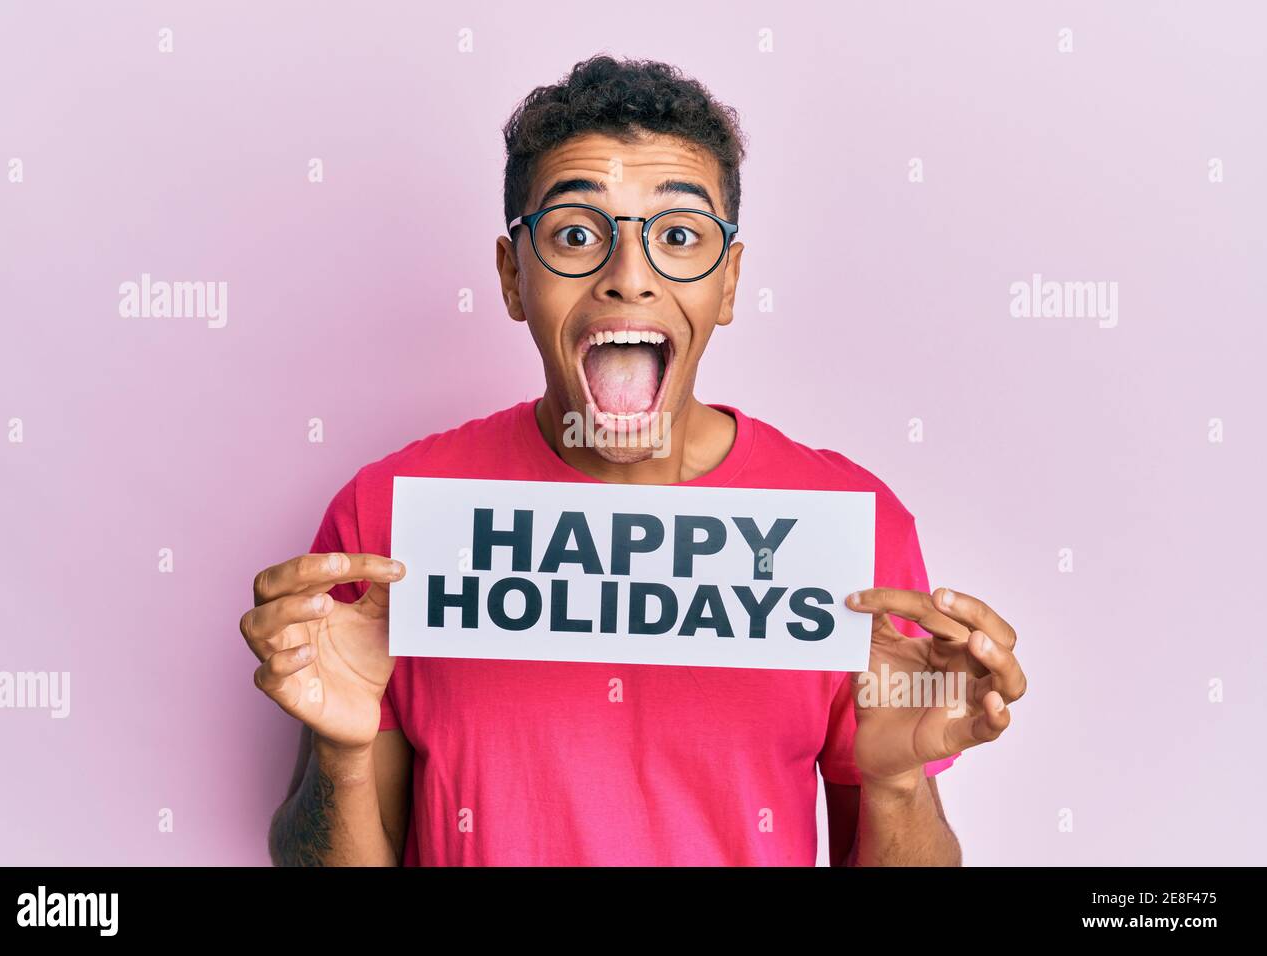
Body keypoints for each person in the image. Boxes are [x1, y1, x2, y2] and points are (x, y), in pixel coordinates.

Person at [240, 54, 1028, 866]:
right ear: (513, 278)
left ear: (727, 282)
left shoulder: (849, 535)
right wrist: (340, 755)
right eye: (577, 234)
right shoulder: (391, 517)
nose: (629, 278)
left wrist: (896, 783)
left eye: (679, 237)